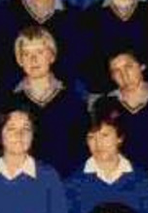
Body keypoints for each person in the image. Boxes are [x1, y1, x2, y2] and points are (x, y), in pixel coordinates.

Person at [64, 102, 148, 213]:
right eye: (91, 137)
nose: (98, 144)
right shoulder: (73, 183)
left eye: (105, 135)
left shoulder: (141, 181)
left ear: (120, 137)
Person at [89, 49, 148, 180]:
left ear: (142, 66)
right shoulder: (103, 105)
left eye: (128, 67)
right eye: (116, 71)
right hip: (117, 180)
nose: (124, 75)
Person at [6, 25, 89, 175]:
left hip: (64, 181)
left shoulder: (73, 101)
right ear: (19, 61)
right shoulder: (8, 103)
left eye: (39, 52)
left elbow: (82, 151)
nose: (33, 59)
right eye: (26, 54)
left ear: (51, 56)